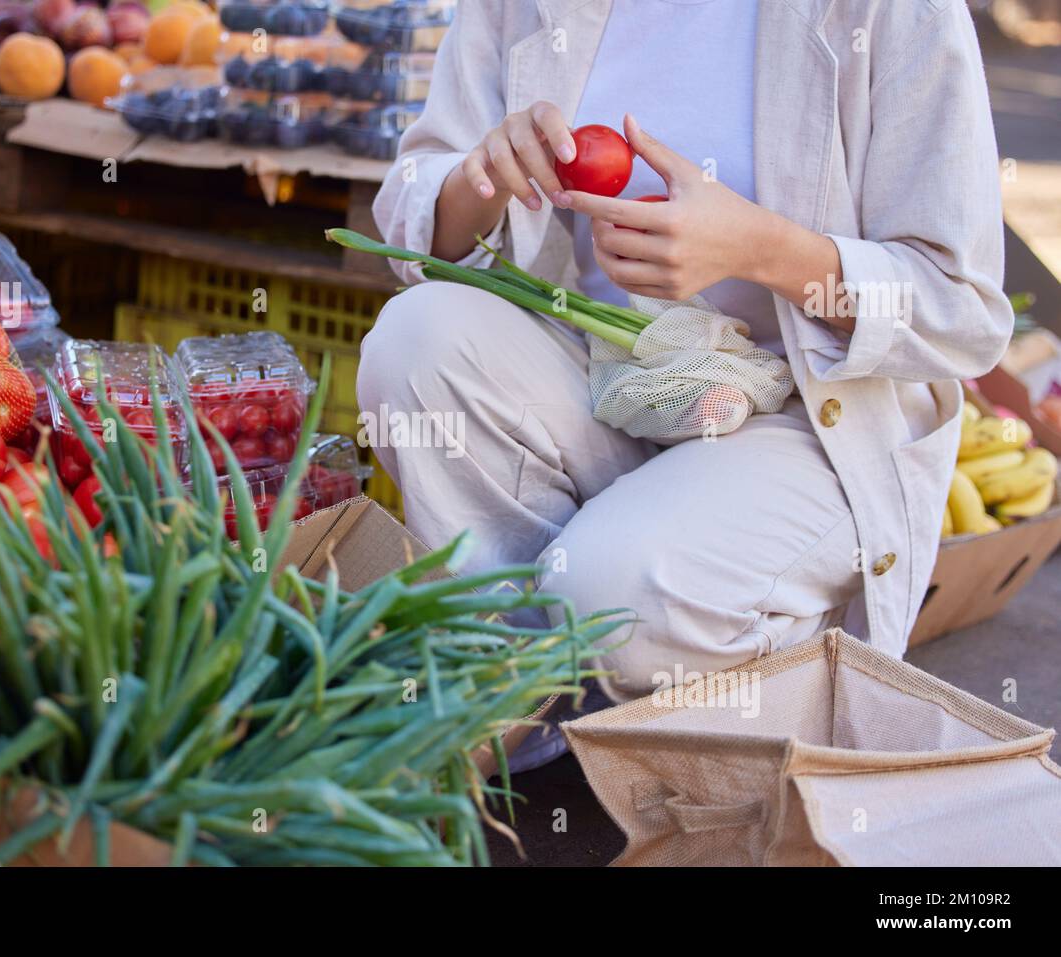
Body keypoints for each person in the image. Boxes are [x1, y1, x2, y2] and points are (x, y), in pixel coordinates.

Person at [357, 0, 1013, 703]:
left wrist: (758, 248)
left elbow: (960, 308)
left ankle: (795, 663)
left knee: (611, 603)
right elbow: (415, 212)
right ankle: (525, 699)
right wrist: (480, 176)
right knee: (414, 339)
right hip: (609, 379)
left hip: (804, 419)